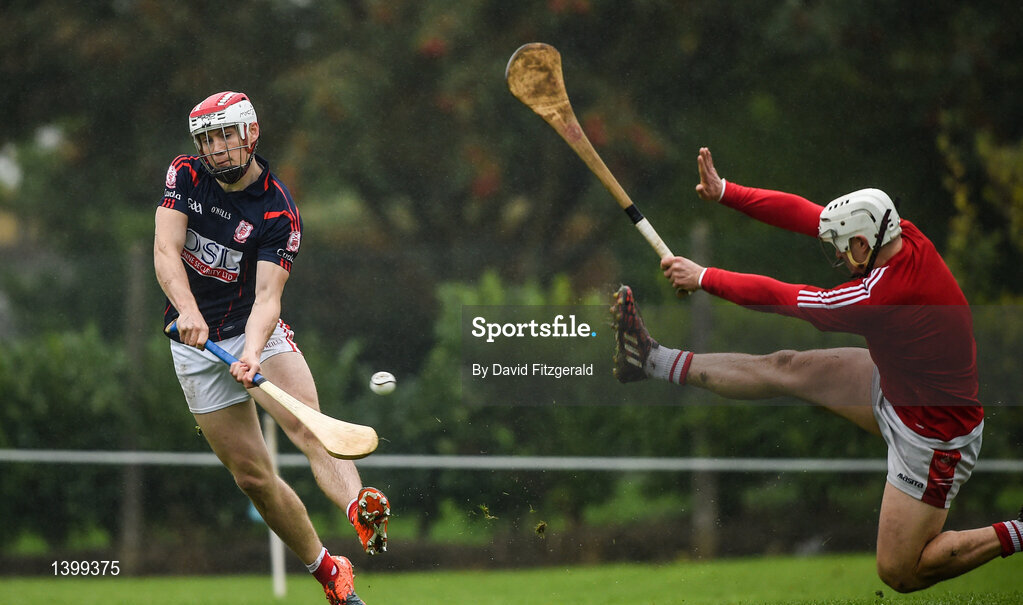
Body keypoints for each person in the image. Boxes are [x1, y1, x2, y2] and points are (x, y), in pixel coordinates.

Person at [612, 147, 1022, 593]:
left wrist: (704, 277)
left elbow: (785, 298)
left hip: (934, 437)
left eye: (844, 250)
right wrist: (727, 191)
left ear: (864, 243)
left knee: (900, 570)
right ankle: (649, 359)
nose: (840, 256)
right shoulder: (901, 234)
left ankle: (1018, 532)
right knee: (786, 367)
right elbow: (809, 216)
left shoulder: (880, 298)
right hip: (895, 384)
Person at [154, 91, 390, 605]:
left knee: (306, 426)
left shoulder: (277, 211)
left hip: (249, 330)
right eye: (207, 139)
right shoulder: (185, 175)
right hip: (192, 342)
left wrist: (254, 352)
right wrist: (188, 310)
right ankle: (328, 570)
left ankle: (359, 507)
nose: (215, 149)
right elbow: (166, 250)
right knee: (253, 477)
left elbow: (267, 299)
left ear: (251, 134)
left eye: (225, 136)